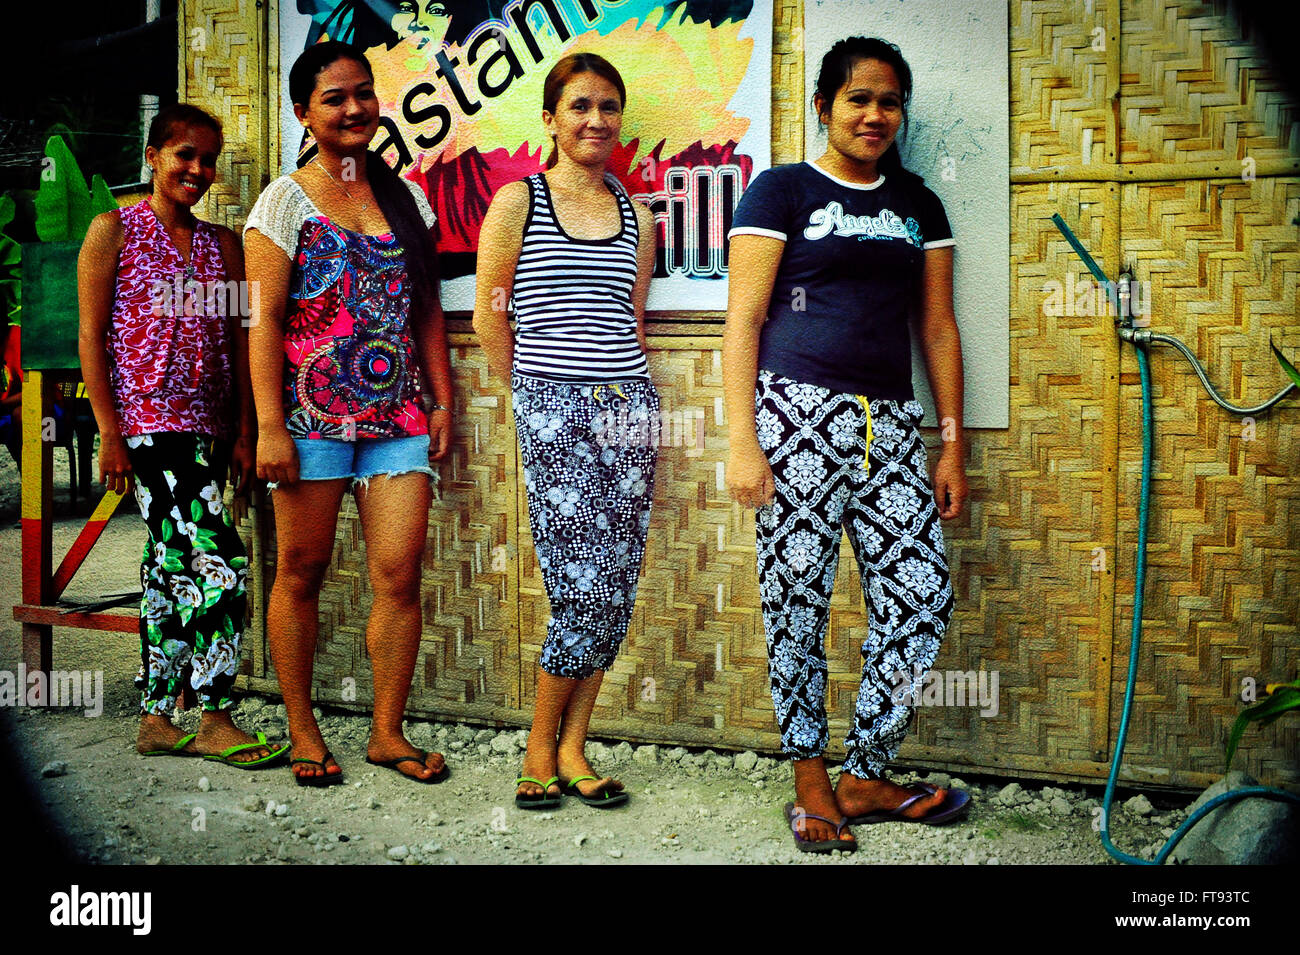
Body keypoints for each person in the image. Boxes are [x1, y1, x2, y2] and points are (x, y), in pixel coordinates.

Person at [724, 36, 971, 853]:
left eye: (890, 101)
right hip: (795, 412)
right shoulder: (782, 190)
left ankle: (865, 771)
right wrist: (742, 440)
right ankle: (808, 778)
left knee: (921, 590)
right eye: (859, 98)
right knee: (797, 597)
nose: (875, 115)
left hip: (892, 424)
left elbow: (935, 326)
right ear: (824, 105)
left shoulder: (917, 204)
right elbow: (744, 320)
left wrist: (951, 444)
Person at [244, 40, 454, 786]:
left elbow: (425, 305)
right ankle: (303, 729)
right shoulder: (284, 201)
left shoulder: (406, 198)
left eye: (363, 93)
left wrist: (442, 396)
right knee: (300, 570)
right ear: (304, 112)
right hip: (309, 421)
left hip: (396, 418)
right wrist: (270, 424)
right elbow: (262, 321)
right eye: (334, 98)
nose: (355, 108)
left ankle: (386, 733)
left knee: (398, 574)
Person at [473, 52, 658, 810]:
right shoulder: (520, 201)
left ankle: (576, 747)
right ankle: (537, 746)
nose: (596, 120)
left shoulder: (638, 214)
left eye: (608, 107)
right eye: (579, 105)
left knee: (615, 585)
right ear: (549, 119)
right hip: (554, 407)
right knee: (579, 585)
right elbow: (492, 310)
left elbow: (634, 318)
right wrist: (531, 395)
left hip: (629, 407)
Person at [77, 103, 286, 767]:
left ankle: (159, 717)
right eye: (183, 156)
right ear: (153, 157)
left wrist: (246, 432)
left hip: (209, 428)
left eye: (206, 159)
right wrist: (109, 432)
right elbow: (91, 337)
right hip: (146, 426)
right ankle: (217, 713)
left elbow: (236, 340)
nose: (197, 170)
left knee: (170, 569)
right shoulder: (113, 231)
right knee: (219, 561)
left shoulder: (220, 245)